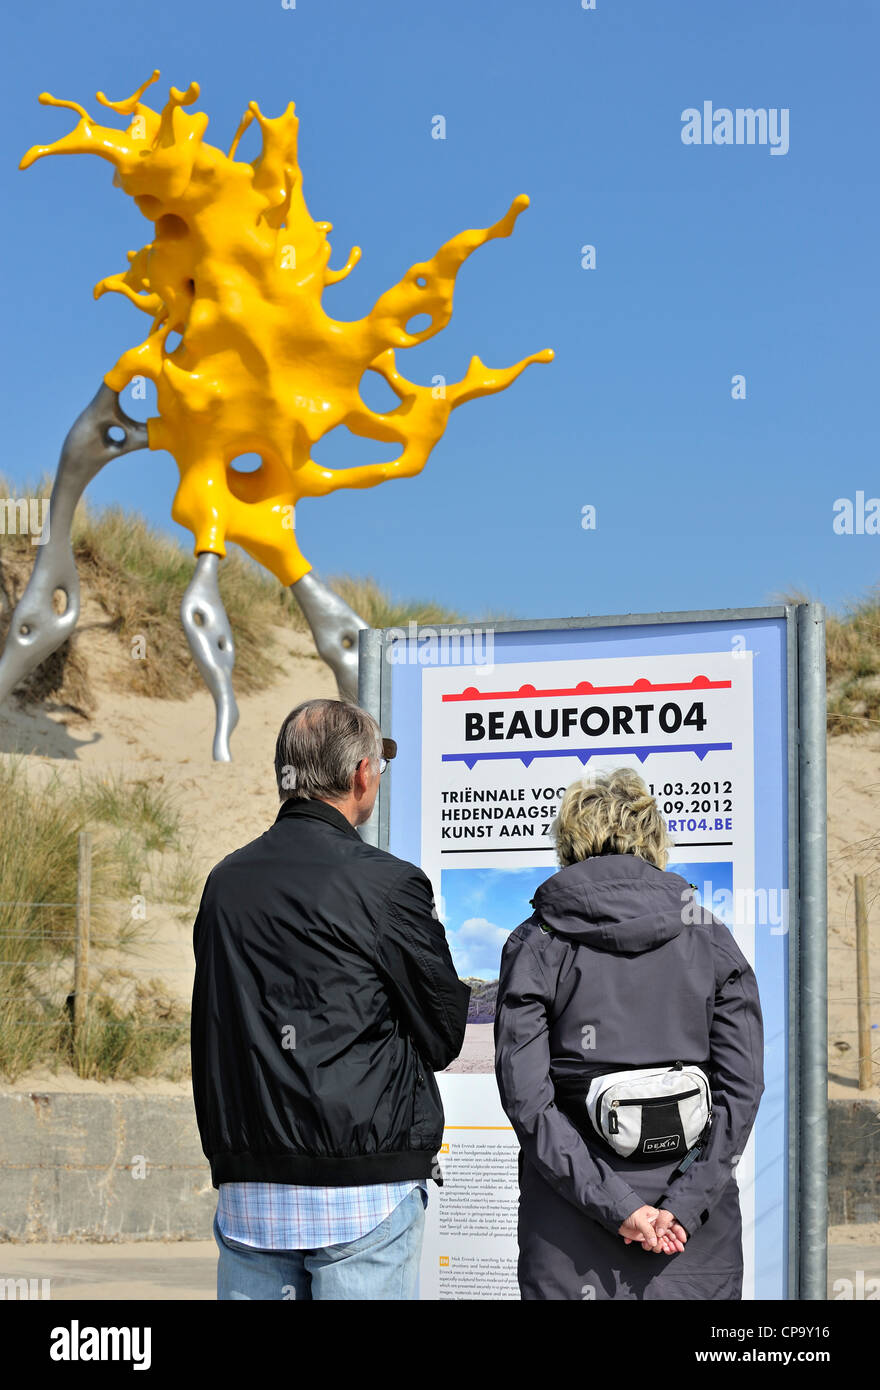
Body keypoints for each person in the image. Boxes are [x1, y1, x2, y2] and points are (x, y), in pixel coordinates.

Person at [191, 697, 469, 1300]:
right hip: (363, 1191)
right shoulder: (387, 884)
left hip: (251, 1190)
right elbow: (445, 1031)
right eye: (378, 768)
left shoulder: (223, 884)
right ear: (360, 776)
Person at [494, 767, 764, 1300]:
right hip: (689, 1243)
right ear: (654, 840)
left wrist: (618, 1207)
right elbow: (742, 1092)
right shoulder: (712, 939)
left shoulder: (535, 945)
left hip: (569, 1242)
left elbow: (528, 1101)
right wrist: (682, 1208)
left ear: (570, 843)